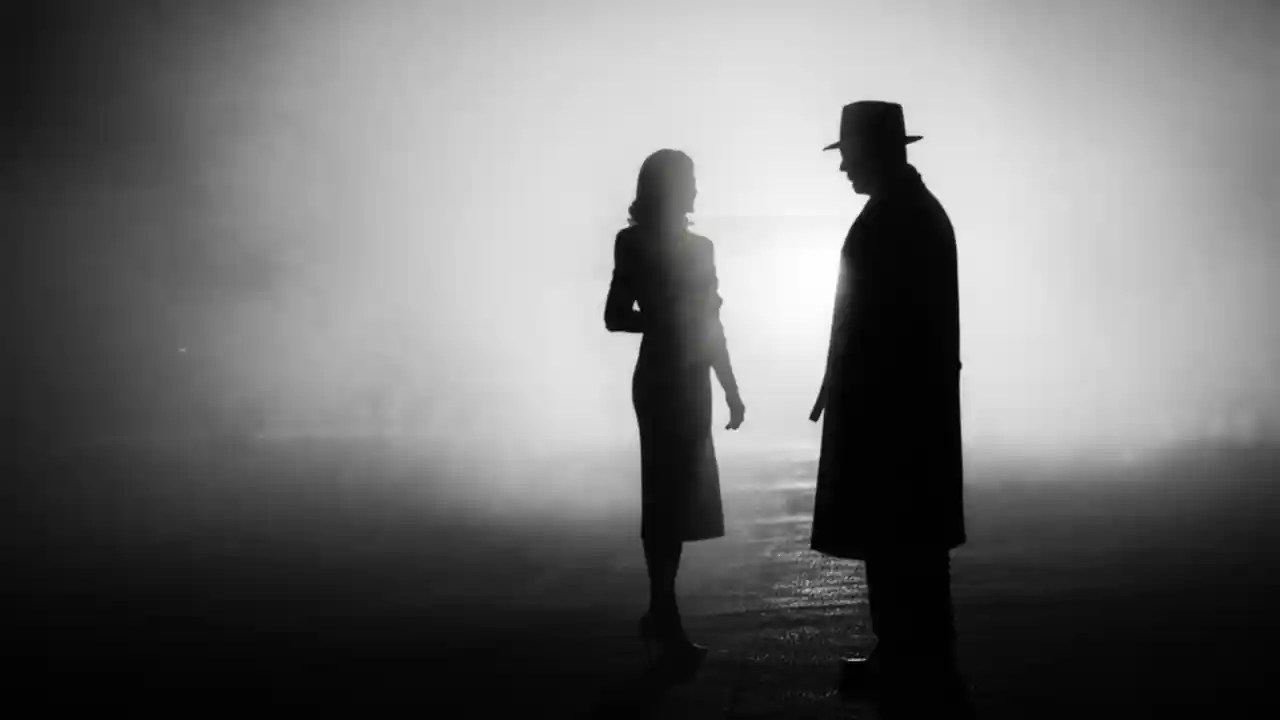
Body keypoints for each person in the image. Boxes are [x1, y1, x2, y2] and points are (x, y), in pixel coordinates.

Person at [808, 101, 974, 717]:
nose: (843, 165)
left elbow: (887, 317)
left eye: (847, 152)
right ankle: (909, 654)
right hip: (899, 402)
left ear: (875, 150)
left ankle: (912, 660)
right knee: (905, 538)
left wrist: (854, 377)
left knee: (901, 535)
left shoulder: (900, 217)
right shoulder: (904, 211)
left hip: (895, 408)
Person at [605, 149, 745, 679]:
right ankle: (663, 612)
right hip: (663, 381)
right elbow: (615, 317)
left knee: (678, 499)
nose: (696, 192)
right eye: (689, 182)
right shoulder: (633, 242)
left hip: (690, 382)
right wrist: (666, 322)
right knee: (665, 498)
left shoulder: (700, 247)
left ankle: (662, 611)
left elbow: (710, 324)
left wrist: (730, 388)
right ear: (668, 188)